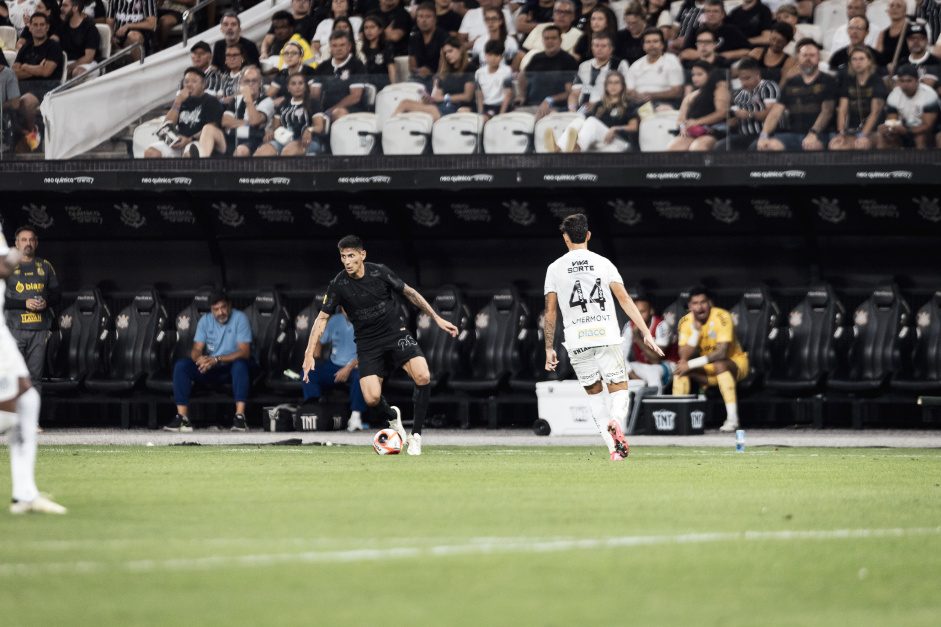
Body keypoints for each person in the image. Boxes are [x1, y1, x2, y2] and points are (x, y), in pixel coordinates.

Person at [302, 235, 459, 456]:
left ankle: (415, 436)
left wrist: (436, 317)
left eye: (351, 256)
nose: (347, 261)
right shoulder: (338, 284)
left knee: (423, 376)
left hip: (395, 335)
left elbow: (410, 293)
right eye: (343, 257)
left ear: (362, 255)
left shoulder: (379, 272)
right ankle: (393, 418)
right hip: (368, 345)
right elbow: (321, 319)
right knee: (372, 398)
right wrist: (309, 353)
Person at [543, 213, 662, 461]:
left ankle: (613, 449)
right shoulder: (603, 263)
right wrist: (646, 333)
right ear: (588, 236)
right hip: (606, 334)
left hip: (577, 340)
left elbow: (550, 312)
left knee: (595, 395)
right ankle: (616, 422)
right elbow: (625, 300)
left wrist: (548, 348)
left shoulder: (554, 268)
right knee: (618, 389)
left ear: (565, 238)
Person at [0, 232, 66, 515]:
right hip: (7, 329)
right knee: (10, 410)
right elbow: (2, 267)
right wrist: (13, 257)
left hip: (4, 330)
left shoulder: (45, 266)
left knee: (27, 401)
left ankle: (25, 495)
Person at [164, 289, 258, 433]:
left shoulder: (240, 318)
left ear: (229, 305)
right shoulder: (205, 320)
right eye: (216, 309)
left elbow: (244, 352)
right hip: (212, 367)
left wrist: (217, 359)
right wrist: (200, 360)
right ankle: (183, 418)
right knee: (182, 365)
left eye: (223, 307)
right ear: (211, 310)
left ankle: (240, 418)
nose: (221, 312)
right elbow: (196, 349)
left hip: (233, 367)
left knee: (239, 364)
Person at [673, 286, 749, 433]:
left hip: (736, 364)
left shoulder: (722, 316)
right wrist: (695, 331)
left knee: (719, 364)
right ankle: (677, 417)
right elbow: (684, 356)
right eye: (695, 303)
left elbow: (721, 353)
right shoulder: (685, 322)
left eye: (703, 302)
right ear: (690, 306)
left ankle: (733, 419)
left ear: (710, 303)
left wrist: (691, 364)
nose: (699, 307)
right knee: (680, 370)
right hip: (709, 370)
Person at [3, 226, 59, 399]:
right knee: (12, 376)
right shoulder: (7, 266)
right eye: (24, 240)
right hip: (14, 329)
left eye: (31, 240)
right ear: (16, 243)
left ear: (36, 243)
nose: (28, 243)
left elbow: (57, 295)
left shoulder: (45, 266)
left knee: (35, 377)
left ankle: (33, 422)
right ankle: (12, 421)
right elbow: (2, 299)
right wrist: (24, 303)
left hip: (39, 329)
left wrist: (46, 303)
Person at [755, 39, 837, 151]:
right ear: (798, 58)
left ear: (819, 59)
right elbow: (775, 112)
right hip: (793, 134)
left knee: (811, 147)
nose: (808, 59)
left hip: (821, 134)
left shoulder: (828, 81)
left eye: (812, 55)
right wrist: (764, 135)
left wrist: (813, 133)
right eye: (804, 55)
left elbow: (827, 112)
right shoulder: (791, 82)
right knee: (767, 146)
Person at [302, 309, 367, 431]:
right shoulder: (335, 320)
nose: (346, 309)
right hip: (334, 365)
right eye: (344, 306)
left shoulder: (367, 321)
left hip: (357, 366)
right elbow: (319, 340)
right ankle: (314, 410)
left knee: (361, 375)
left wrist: (348, 368)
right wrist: (315, 359)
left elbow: (369, 351)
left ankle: (356, 417)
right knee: (310, 372)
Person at [545, 70, 639, 152]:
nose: (613, 86)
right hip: (601, 142)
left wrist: (616, 128)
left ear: (622, 86)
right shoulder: (600, 105)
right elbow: (584, 121)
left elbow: (634, 127)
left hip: (619, 143)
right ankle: (559, 148)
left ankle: (578, 148)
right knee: (579, 120)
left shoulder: (628, 104)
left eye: (617, 83)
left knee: (592, 121)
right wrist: (560, 114)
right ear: (606, 86)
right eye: (610, 83)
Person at [143, 66, 226, 158]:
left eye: (194, 81)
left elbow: (211, 128)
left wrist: (189, 139)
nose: (189, 85)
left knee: (189, 154)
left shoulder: (211, 101)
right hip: (179, 141)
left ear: (203, 84)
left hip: (198, 141)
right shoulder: (182, 100)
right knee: (151, 152)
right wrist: (177, 102)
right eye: (186, 81)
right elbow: (167, 125)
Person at [391, 36, 474, 120]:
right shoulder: (446, 72)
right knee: (404, 103)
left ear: (460, 50)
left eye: (450, 51)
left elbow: (467, 96)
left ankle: (388, 127)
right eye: (445, 53)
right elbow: (437, 96)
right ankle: (390, 127)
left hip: (455, 108)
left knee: (406, 105)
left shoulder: (469, 68)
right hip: (440, 107)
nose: (448, 55)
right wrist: (429, 100)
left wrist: (445, 98)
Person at [12, 12, 60, 152]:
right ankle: (26, 134)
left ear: (47, 27)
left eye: (42, 25)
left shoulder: (53, 47)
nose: (38, 28)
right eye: (35, 25)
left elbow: (46, 72)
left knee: (26, 101)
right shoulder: (26, 47)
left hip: (48, 87)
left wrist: (25, 67)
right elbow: (14, 72)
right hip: (24, 86)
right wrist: (36, 68)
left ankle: (32, 132)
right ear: (30, 28)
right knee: (4, 101)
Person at [715, 55, 780, 151]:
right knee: (720, 146)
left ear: (758, 74)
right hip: (744, 135)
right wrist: (732, 122)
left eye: (747, 78)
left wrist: (750, 114)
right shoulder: (739, 94)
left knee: (753, 148)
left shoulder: (768, 87)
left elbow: (772, 113)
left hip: (766, 134)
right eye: (741, 79)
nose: (744, 83)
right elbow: (736, 116)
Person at [255, 70, 327, 156]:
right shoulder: (283, 104)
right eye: (293, 84)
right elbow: (275, 126)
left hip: (307, 141)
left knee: (288, 151)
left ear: (305, 86)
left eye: (300, 83)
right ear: (288, 88)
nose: (297, 87)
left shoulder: (313, 103)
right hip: (283, 140)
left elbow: (320, 127)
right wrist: (270, 131)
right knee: (262, 152)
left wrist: (309, 130)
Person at [829, 45, 886, 151]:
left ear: (869, 61)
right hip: (853, 129)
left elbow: (876, 111)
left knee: (860, 145)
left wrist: (863, 134)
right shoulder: (848, 81)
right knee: (835, 146)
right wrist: (840, 133)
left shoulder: (877, 81)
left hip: (873, 130)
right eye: (854, 59)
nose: (857, 62)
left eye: (861, 59)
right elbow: (842, 109)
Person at [513, 25, 578, 118]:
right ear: (543, 40)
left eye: (553, 38)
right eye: (546, 38)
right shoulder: (537, 57)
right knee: (510, 118)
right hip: (531, 105)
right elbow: (523, 75)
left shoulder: (569, 60)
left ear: (560, 40)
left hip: (555, 108)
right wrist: (522, 95)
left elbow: (570, 91)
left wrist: (550, 100)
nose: (549, 41)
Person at [620, 291, 678, 394]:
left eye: (642, 311)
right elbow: (621, 357)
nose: (638, 315)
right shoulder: (630, 326)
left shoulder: (661, 326)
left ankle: (655, 405)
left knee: (652, 371)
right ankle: (632, 406)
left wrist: (637, 338)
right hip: (644, 366)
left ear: (651, 311)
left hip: (669, 366)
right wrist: (635, 377)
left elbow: (656, 359)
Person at [667, 61, 728, 151]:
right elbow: (681, 120)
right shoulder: (690, 96)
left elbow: (722, 113)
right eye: (693, 75)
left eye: (699, 74)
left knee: (697, 148)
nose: (695, 78)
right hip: (691, 131)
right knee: (673, 148)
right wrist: (682, 127)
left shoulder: (719, 89)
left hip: (713, 130)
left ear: (709, 75)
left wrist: (697, 122)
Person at [876, 63, 939, 149]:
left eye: (909, 81)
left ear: (917, 80)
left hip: (928, 131)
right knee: (884, 136)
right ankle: (883, 161)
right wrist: (889, 129)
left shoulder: (929, 95)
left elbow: (927, 126)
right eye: (902, 81)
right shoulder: (894, 95)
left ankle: (921, 162)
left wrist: (906, 130)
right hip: (903, 128)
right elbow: (892, 120)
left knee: (920, 138)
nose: (905, 84)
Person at [621, 27, 684, 108]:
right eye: (648, 42)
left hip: (663, 105)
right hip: (637, 104)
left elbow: (677, 92)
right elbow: (628, 90)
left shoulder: (671, 61)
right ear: (643, 46)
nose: (651, 45)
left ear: (662, 45)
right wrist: (632, 95)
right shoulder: (636, 65)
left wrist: (653, 95)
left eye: (655, 41)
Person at [310, 29, 366, 121]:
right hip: (325, 111)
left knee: (339, 113)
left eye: (342, 45)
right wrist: (318, 113)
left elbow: (355, 96)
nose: (338, 49)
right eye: (334, 46)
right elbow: (314, 95)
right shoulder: (322, 67)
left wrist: (330, 111)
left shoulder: (357, 65)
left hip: (350, 109)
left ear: (349, 46)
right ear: (330, 48)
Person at [223, 66, 274, 157]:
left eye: (254, 81)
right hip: (231, 137)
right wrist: (247, 123)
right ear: (241, 83)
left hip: (253, 139)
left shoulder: (267, 101)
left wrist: (248, 98)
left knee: (241, 151)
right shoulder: (237, 99)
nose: (251, 84)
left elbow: (254, 120)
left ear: (260, 83)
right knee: (209, 129)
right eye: (247, 81)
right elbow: (225, 121)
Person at [515, 0, 582, 70]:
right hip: (528, 73)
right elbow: (521, 54)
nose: (562, 15)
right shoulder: (540, 28)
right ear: (553, 14)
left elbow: (573, 61)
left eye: (566, 12)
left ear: (573, 16)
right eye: (558, 11)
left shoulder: (579, 35)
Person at [679, 0, 750, 62]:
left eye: (715, 11)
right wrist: (711, 55)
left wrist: (721, 56)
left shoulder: (732, 30)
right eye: (708, 11)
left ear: (722, 14)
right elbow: (685, 53)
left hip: (724, 67)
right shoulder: (697, 30)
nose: (711, 14)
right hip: (699, 65)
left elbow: (747, 51)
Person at [568, 32, 621, 113]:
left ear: (611, 49)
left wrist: (597, 104)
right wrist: (572, 108)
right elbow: (574, 92)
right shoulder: (583, 65)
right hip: (580, 108)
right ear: (592, 48)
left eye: (603, 46)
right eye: (596, 46)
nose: (599, 49)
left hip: (606, 109)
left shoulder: (619, 64)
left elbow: (622, 92)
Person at [265, 40, 316, 107]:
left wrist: (286, 101)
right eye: (286, 53)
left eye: (294, 53)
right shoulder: (281, 73)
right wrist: (272, 102)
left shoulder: (310, 71)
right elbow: (268, 94)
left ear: (300, 56)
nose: (289, 56)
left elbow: (315, 96)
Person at [409, 2, 449, 89]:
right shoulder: (413, 38)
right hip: (420, 78)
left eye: (428, 16)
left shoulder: (444, 37)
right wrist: (418, 70)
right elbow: (412, 66)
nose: (424, 20)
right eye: (420, 16)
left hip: (440, 77)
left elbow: (445, 64)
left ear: (435, 19)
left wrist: (435, 77)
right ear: (416, 19)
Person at [59, 0, 100, 78]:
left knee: (77, 73)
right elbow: (53, 40)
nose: (61, 8)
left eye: (65, 6)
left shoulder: (89, 28)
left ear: (75, 8)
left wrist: (68, 67)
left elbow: (88, 58)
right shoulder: (62, 26)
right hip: (66, 61)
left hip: (86, 64)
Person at [475, 39, 513, 118]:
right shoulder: (479, 73)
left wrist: (501, 115)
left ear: (501, 57)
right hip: (486, 106)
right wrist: (481, 112)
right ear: (485, 55)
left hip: (501, 106)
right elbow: (479, 95)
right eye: (490, 55)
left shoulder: (507, 71)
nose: (493, 58)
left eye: (496, 55)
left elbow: (507, 95)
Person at [901, 23, 940, 88]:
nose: (916, 42)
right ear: (907, 41)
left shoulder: (936, 62)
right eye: (912, 38)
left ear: (926, 40)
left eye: (920, 38)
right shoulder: (902, 63)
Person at [361, 13, 395, 88]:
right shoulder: (361, 48)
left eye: (372, 27)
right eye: (366, 28)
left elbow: (391, 68)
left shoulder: (387, 46)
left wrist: (393, 87)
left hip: (383, 85)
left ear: (380, 30)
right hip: (366, 86)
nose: (368, 31)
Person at [877, 0, 910, 71]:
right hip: (887, 73)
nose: (894, 8)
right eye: (891, 6)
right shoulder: (883, 34)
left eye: (898, 6)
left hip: (907, 71)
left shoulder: (911, 30)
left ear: (905, 10)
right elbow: (878, 57)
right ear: (888, 11)